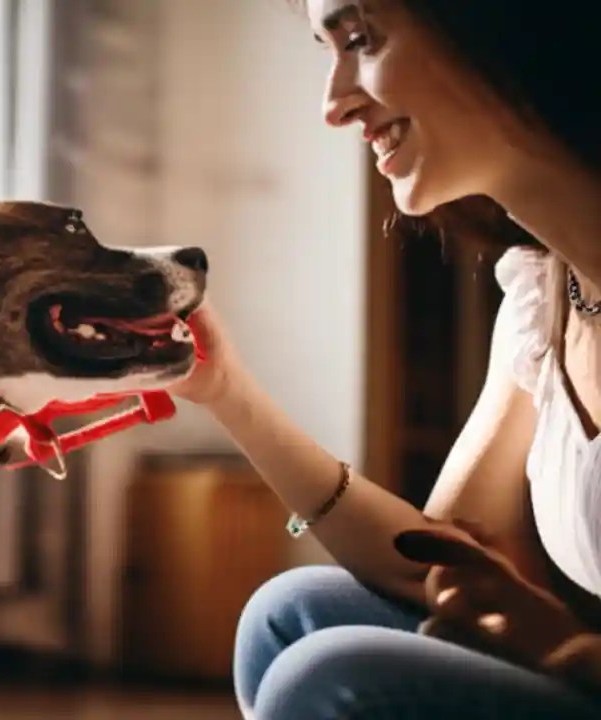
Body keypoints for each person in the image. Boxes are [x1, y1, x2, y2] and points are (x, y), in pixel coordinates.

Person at [167, 1, 601, 717]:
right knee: (294, 611)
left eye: (360, 41)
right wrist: (228, 395)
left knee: (333, 677)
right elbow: (440, 564)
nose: (334, 105)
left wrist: (571, 651)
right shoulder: (547, 299)